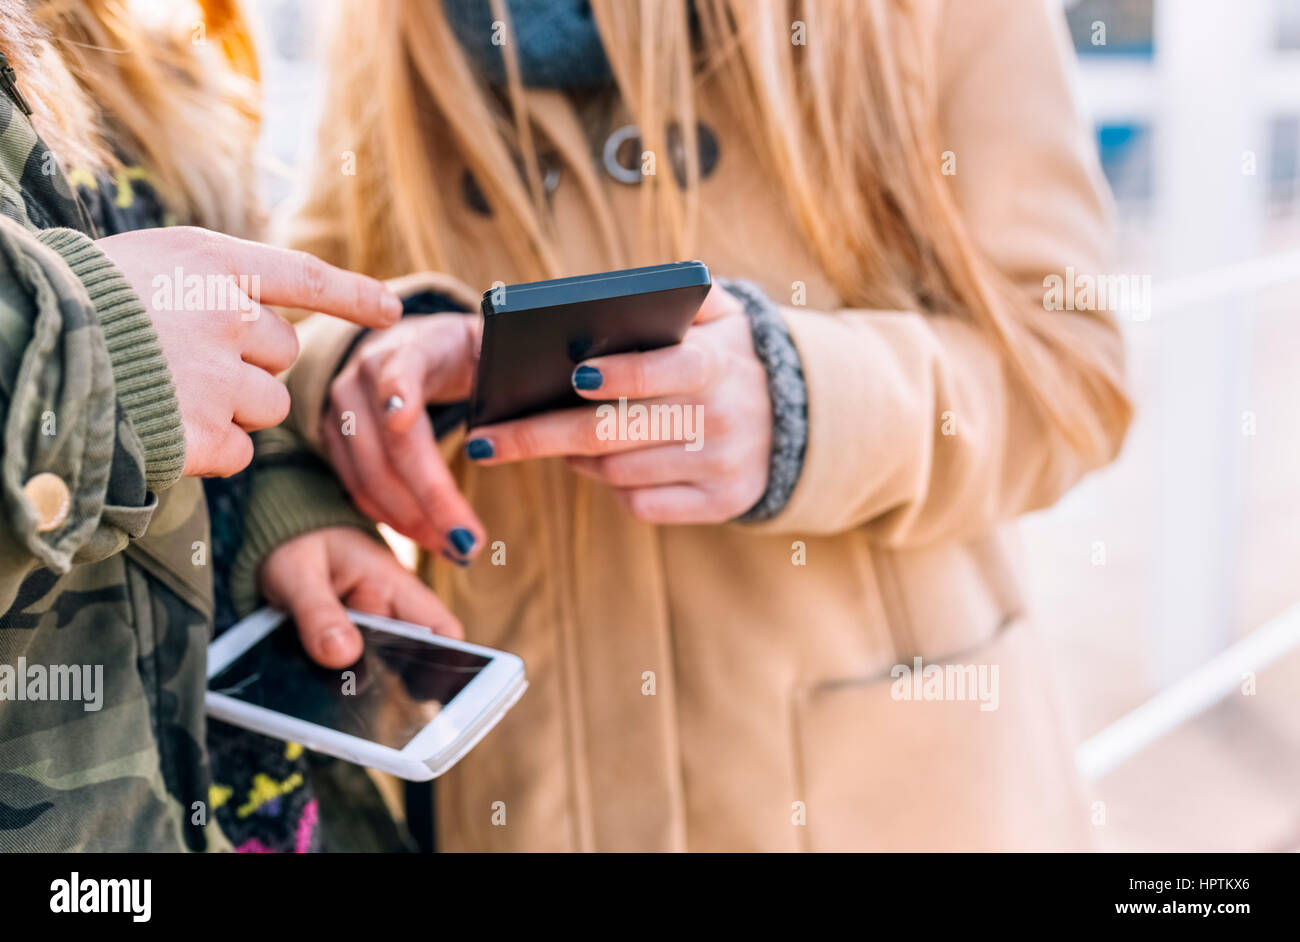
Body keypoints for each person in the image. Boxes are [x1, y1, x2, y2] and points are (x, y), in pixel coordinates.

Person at [265, 0, 1133, 851]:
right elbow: (296, 309)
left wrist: (805, 405)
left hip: (877, 796)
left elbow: (1068, 371)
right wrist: (372, 363)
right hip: (525, 792)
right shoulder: (393, 22)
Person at [0, 0, 458, 852]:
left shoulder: (150, 55)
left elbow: (206, 358)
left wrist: (273, 511)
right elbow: (130, 345)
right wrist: (95, 355)